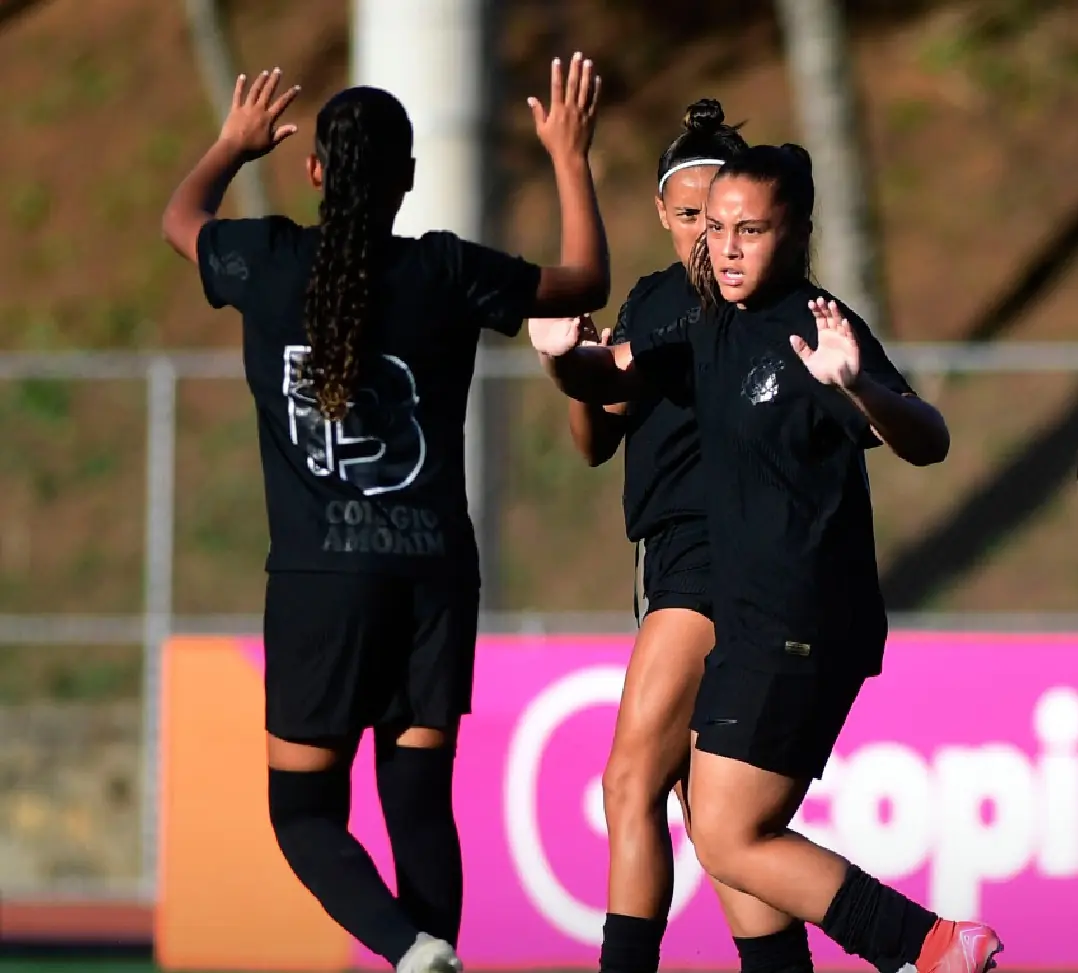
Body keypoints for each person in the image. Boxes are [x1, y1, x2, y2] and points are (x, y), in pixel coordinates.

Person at [161, 55, 608, 973]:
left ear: (315, 171)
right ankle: (428, 950)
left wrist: (231, 145)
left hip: (321, 583)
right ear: (408, 178)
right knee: (417, 804)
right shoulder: (446, 269)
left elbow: (180, 221)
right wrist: (569, 153)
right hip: (436, 574)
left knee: (306, 815)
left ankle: (409, 950)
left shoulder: (270, 259)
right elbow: (585, 282)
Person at [529, 144, 1003, 973]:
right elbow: (611, 378)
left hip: (807, 617)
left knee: (725, 830)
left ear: (797, 233)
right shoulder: (707, 319)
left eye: (751, 229)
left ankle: (930, 944)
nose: (728, 248)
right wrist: (562, 355)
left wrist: (862, 388)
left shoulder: (818, 329)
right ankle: (927, 946)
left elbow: (929, 438)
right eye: (716, 229)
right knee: (723, 832)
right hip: (751, 622)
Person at [560, 101, 817, 973]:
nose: (714, 236)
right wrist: (576, 367)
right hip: (666, 556)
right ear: (667, 217)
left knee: (629, 781)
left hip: (715, 561)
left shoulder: (763, 307)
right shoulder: (657, 300)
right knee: (710, 814)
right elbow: (597, 436)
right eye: (692, 215)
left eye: (731, 217)